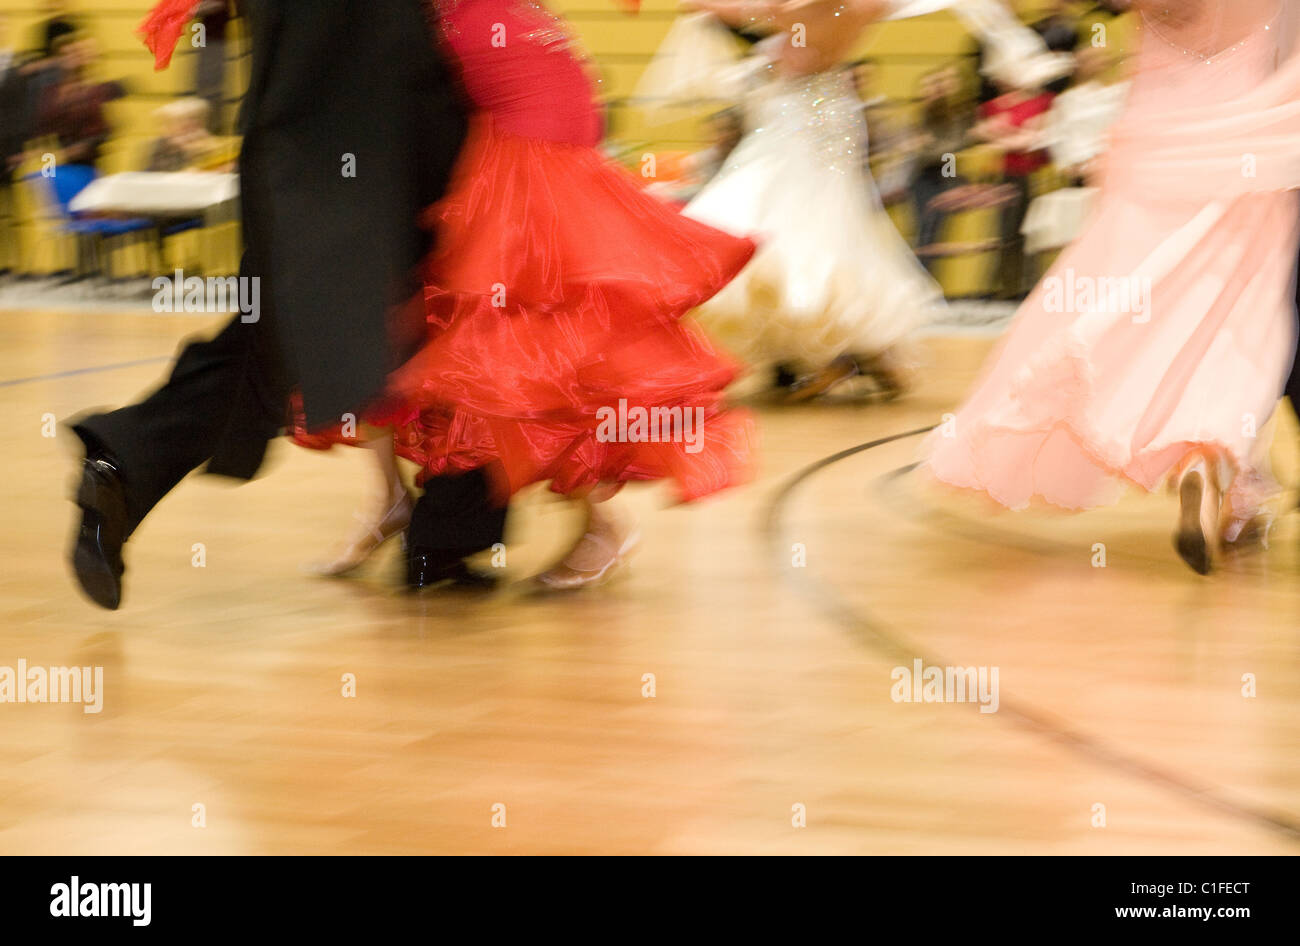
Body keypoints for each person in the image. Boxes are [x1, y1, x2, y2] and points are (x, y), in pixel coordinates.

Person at [295, 0, 758, 590]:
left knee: (531, 347)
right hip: (522, 130)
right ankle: (400, 501)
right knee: (488, 337)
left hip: (530, 148)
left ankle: (598, 524)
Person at [66, 0, 497, 609]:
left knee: (266, 341)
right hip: (391, 135)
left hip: (291, 143)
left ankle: (127, 461)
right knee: (455, 314)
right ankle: (447, 535)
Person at [925, 0, 1300, 575]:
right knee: (1234, 325)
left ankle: (1218, 473)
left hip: (1152, 155)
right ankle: (1210, 462)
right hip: (1250, 157)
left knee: (1143, 312)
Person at [668, 0, 946, 402]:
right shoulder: (861, 8)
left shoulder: (793, 8)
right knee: (828, 218)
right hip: (834, 112)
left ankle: (831, 353)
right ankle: (850, 353)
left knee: (772, 211)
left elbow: (731, 9)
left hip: (796, 115)